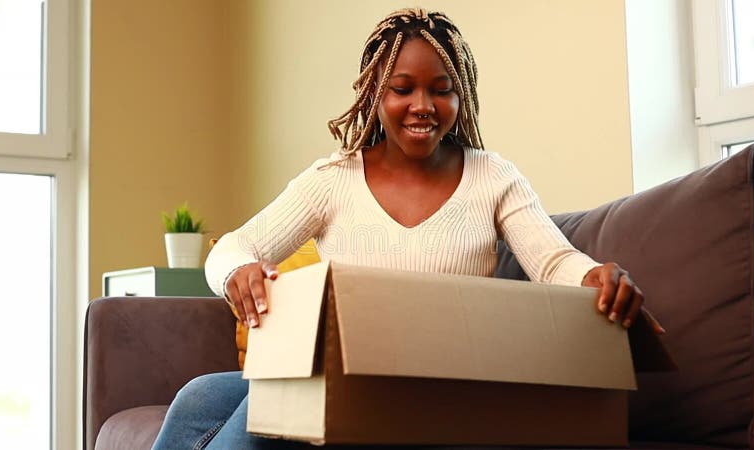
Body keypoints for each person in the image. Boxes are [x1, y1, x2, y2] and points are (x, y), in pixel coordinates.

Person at [151, 8, 663, 450]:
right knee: (198, 396)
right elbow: (235, 247)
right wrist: (238, 270)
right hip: (341, 380)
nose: (423, 105)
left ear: (460, 98)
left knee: (260, 407)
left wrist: (594, 276)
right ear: (376, 93)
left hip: (443, 387)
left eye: (442, 91)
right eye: (403, 89)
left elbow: (552, 262)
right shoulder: (333, 179)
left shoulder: (493, 177)